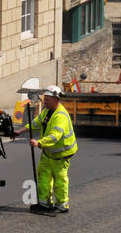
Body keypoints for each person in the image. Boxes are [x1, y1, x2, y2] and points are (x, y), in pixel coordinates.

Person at [16, 84, 77, 214]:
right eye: (45, 98)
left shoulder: (60, 116)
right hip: (48, 153)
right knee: (43, 177)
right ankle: (44, 204)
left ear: (56, 99)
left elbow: (55, 137)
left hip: (61, 154)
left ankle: (62, 205)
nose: (45, 101)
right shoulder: (48, 111)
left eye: (48, 99)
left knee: (60, 180)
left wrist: (39, 143)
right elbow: (36, 123)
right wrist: (20, 131)